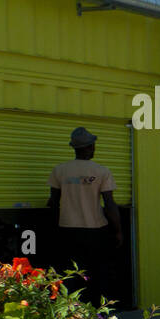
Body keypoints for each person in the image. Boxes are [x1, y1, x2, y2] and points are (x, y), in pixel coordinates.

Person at [47, 127, 122, 306]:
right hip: (96, 232)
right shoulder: (102, 171)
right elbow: (110, 204)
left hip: (67, 231)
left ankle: (71, 314)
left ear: (74, 148)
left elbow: (53, 202)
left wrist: (52, 229)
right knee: (98, 273)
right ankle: (97, 313)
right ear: (90, 147)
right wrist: (118, 231)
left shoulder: (60, 170)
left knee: (70, 275)